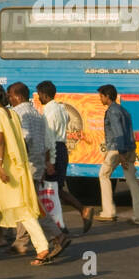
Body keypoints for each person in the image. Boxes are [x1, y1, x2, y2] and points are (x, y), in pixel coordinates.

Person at [0, 84, 53, 266]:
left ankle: (42, 247)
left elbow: (0, 140)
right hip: (13, 168)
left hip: (1, 170)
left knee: (3, 210)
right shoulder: (11, 113)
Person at [6, 82, 69, 258]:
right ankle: (21, 242)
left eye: (10, 95)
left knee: (30, 207)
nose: (9, 99)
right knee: (25, 204)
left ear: (17, 96)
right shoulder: (37, 113)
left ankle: (57, 235)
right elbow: (44, 143)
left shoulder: (18, 114)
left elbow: (23, 139)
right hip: (36, 166)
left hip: (23, 168)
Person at [36, 80, 94, 231]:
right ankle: (62, 224)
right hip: (62, 148)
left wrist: (49, 162)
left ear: (45, 95)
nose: (38, 98)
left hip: (54, 149)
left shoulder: (49, 112)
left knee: (52, 189)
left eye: (39, 95)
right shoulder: (61, 108)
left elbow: (49, 140)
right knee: (56, 189)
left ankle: (75, 215)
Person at [96, 85, 139, 224]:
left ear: (107, 96)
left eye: (101, 96)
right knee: (131, 180)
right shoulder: (124, 110)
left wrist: (121, 154)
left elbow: (118, 133)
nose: (100, 98)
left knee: (103, 175)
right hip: (129, 148)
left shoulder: (112, 111)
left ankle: (108, 211)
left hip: (118, 149)